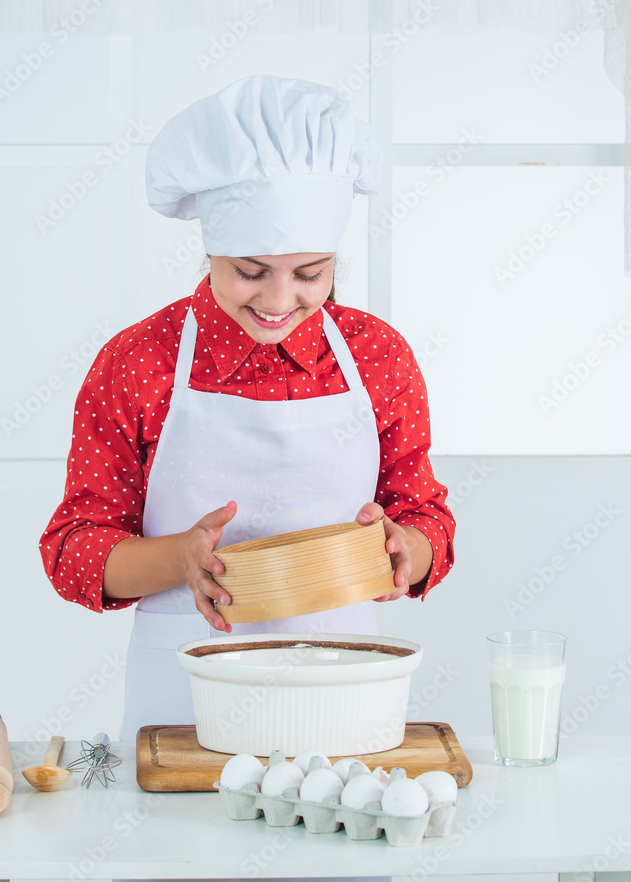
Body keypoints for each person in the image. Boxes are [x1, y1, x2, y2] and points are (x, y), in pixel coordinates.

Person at [39, 74, 456, 742]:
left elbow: (424, 514)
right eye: (251, 271)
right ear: (209, 249)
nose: (279, 299)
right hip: (183, 704)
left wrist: (408, 548)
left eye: (311, 272)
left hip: (343, 694)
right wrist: (179, 560)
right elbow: (73, 551)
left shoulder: (378, 356)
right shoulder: (138, 361)